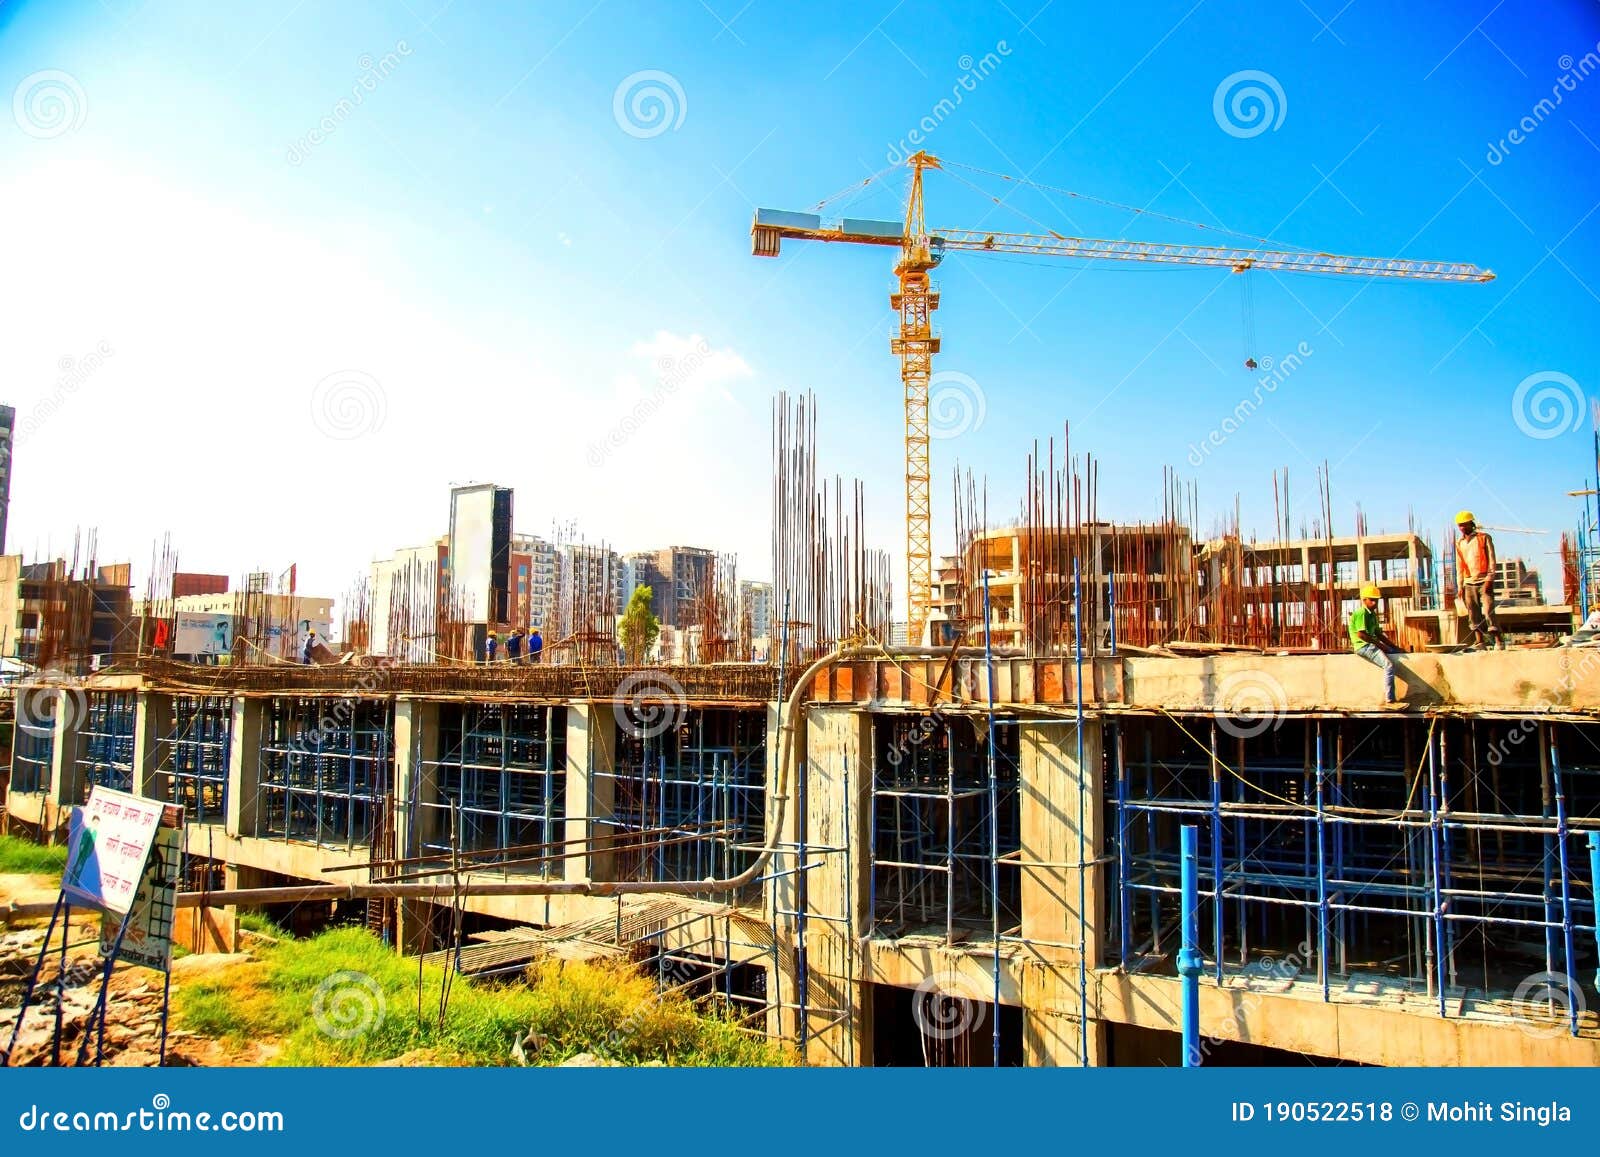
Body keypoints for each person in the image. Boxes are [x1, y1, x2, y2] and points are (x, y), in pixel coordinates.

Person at [1454, 511, 1503, 651]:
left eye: (1464, 524)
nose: (1462, 528)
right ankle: (1479, 642)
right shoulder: (1459, 543)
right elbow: (1459, 566)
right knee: (1472, 613)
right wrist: (1460, 585)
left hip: (1483, 580)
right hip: (1468, 582)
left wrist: (1489, 579)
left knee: (1488, 610)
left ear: (1471, 523)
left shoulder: (1484, 538)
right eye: (1460, 525)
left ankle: (1499, 640)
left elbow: (1492, 560)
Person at [1349, 583, 1405, 707]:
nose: (1374, 603)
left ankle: (1390, 697)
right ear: (1364, 600)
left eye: (1376, 600)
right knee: (1389, 666)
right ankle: (1390, 699)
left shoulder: (1372, 615)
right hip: (1363, 646)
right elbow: (1361, 635)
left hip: (1371, 645)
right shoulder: (1361, 613)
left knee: (1397, 653)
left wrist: (1395, 648)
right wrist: (1381, 646)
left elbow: (1379, 635)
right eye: (1372, 600)